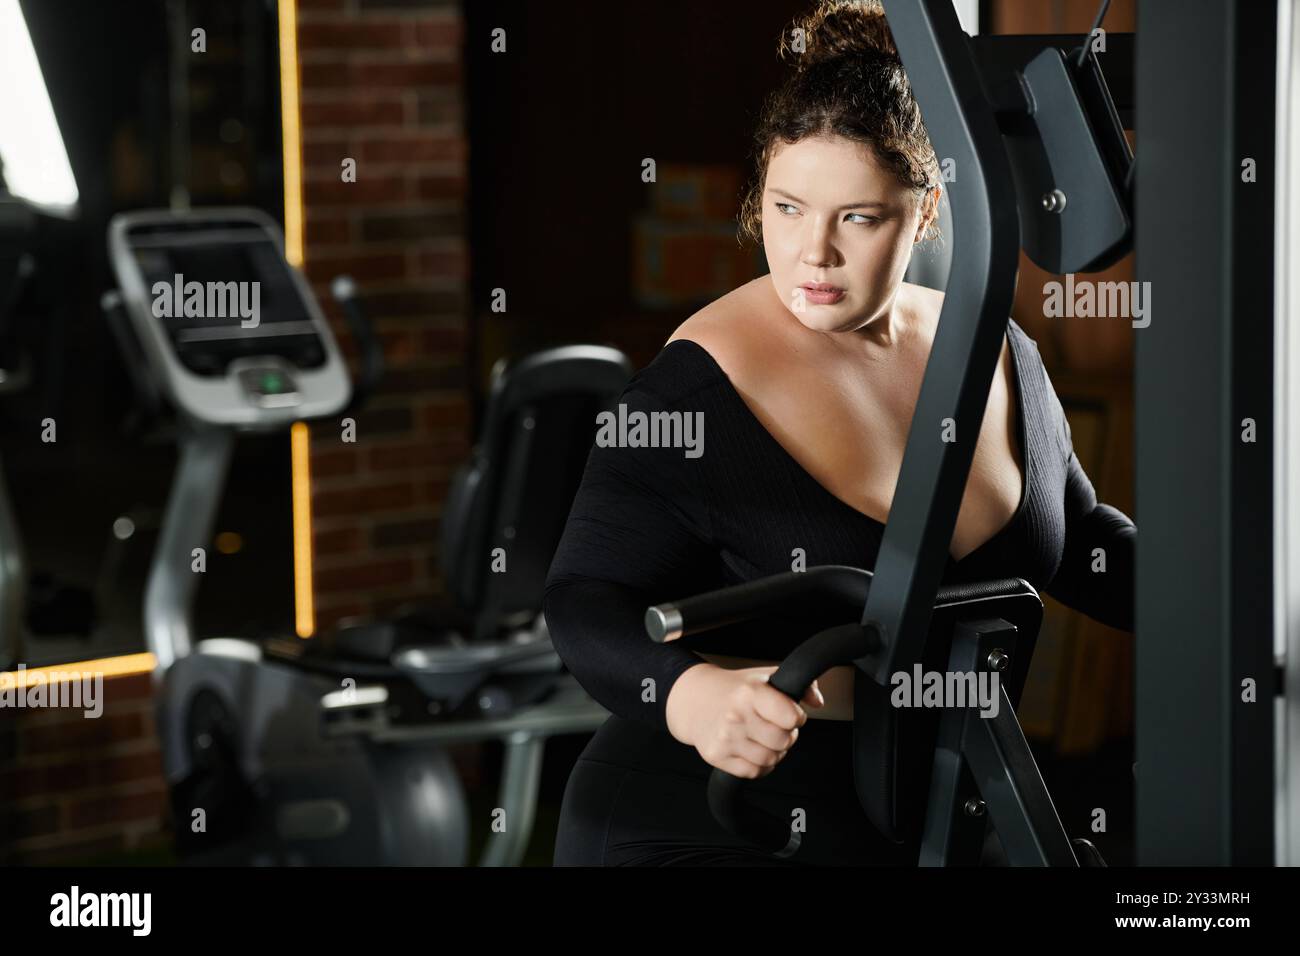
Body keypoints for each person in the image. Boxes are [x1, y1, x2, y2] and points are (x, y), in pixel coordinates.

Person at [543, 0, 1136, 867]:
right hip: (711, 814)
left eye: (857, 218)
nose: (812, 254)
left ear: (925, 209)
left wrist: (1236, 605)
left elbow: (1080, 537)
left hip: (929, 807)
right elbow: (583, 597)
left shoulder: (993, 348)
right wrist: (690, 696)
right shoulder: (699, 386)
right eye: (787, 208)